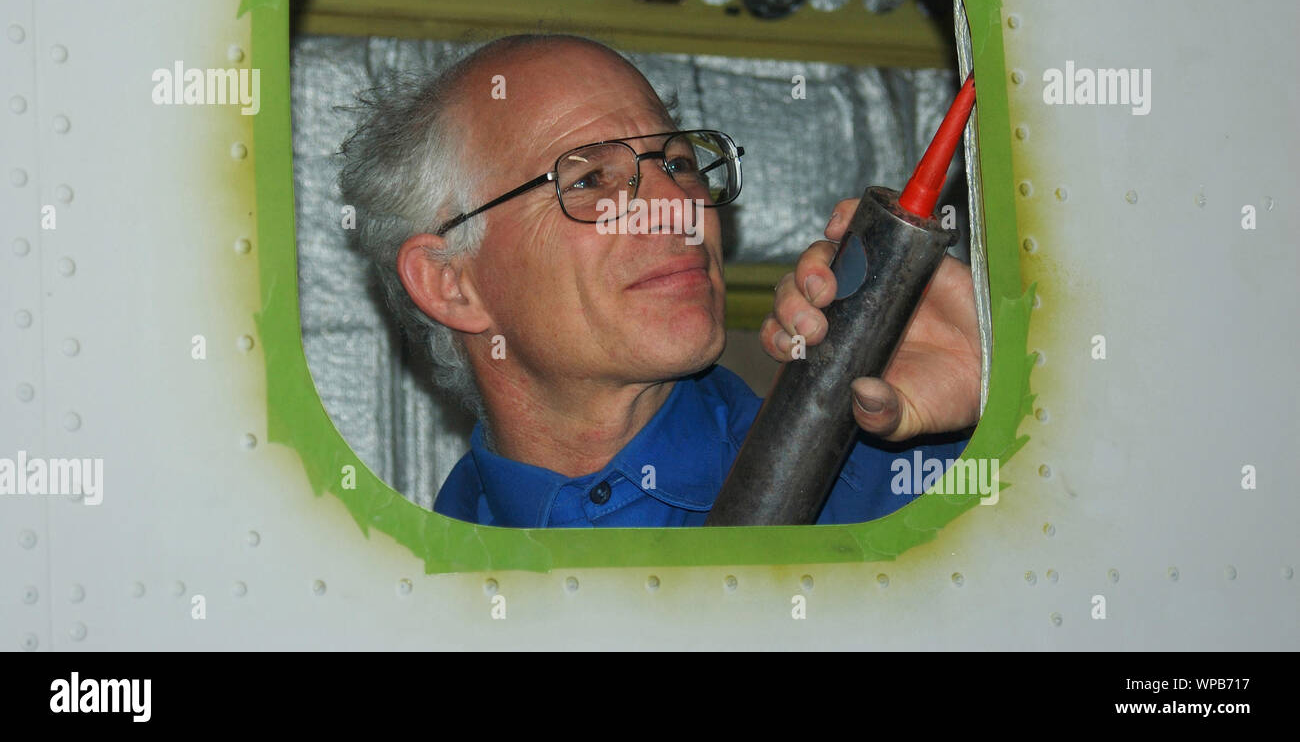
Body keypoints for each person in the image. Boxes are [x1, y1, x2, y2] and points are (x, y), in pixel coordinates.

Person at [338, 33, 982, 527]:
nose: (678, 205)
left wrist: (1020, 399)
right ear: (449, 283)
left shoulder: (904, 481)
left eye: (677, 162)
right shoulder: (415, 580)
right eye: (589, 179)